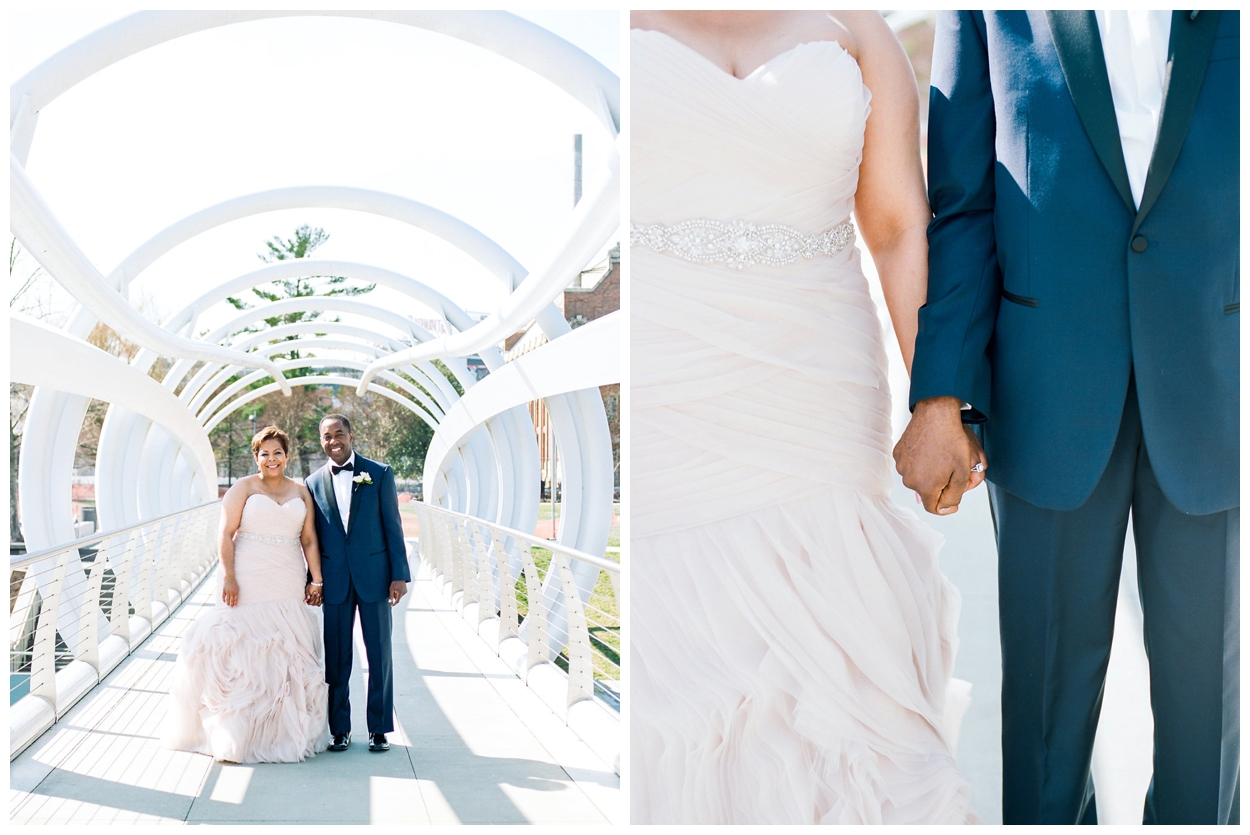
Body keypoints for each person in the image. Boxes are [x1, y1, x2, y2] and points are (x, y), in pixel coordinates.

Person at [630, 11, 977, 823]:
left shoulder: (854, 24)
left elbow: (895, 231)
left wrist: (938, 403)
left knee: (852, 678)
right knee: (682, 680)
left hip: (816, 391)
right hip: (665, 385)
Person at [896, 11, 1238, 824]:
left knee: (1207, 728)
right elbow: (965, 204)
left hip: (1213, 380)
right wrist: (941, 393)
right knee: (1045, 737)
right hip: (1047, 394)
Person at [164, 425, 328, 763]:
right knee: (243, 651)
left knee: (287, 651)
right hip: (249, 575)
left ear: (287, 455)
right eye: (264, 453)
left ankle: (280, 732)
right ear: (256, 457)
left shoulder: (300, 491)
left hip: (286, 577)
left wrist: (317, 580)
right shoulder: (243, 488)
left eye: (277, 452)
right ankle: (239, 734)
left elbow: (309, 539)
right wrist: (229, 577)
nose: (271, 459)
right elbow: (225, 534)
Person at [306, 414, 410, 753]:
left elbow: (393, 525)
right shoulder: (312, 482)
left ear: (351, 435)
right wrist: (313, 581)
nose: (333, 441)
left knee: (379, 654)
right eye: (327, 436)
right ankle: (340, 730)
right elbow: (310, 539)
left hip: (375, 577)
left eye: (339, 434)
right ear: (320, 440)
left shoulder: (378, 474)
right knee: (337, 659)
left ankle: (379, 729)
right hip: (334, 581)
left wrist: (399, 574)